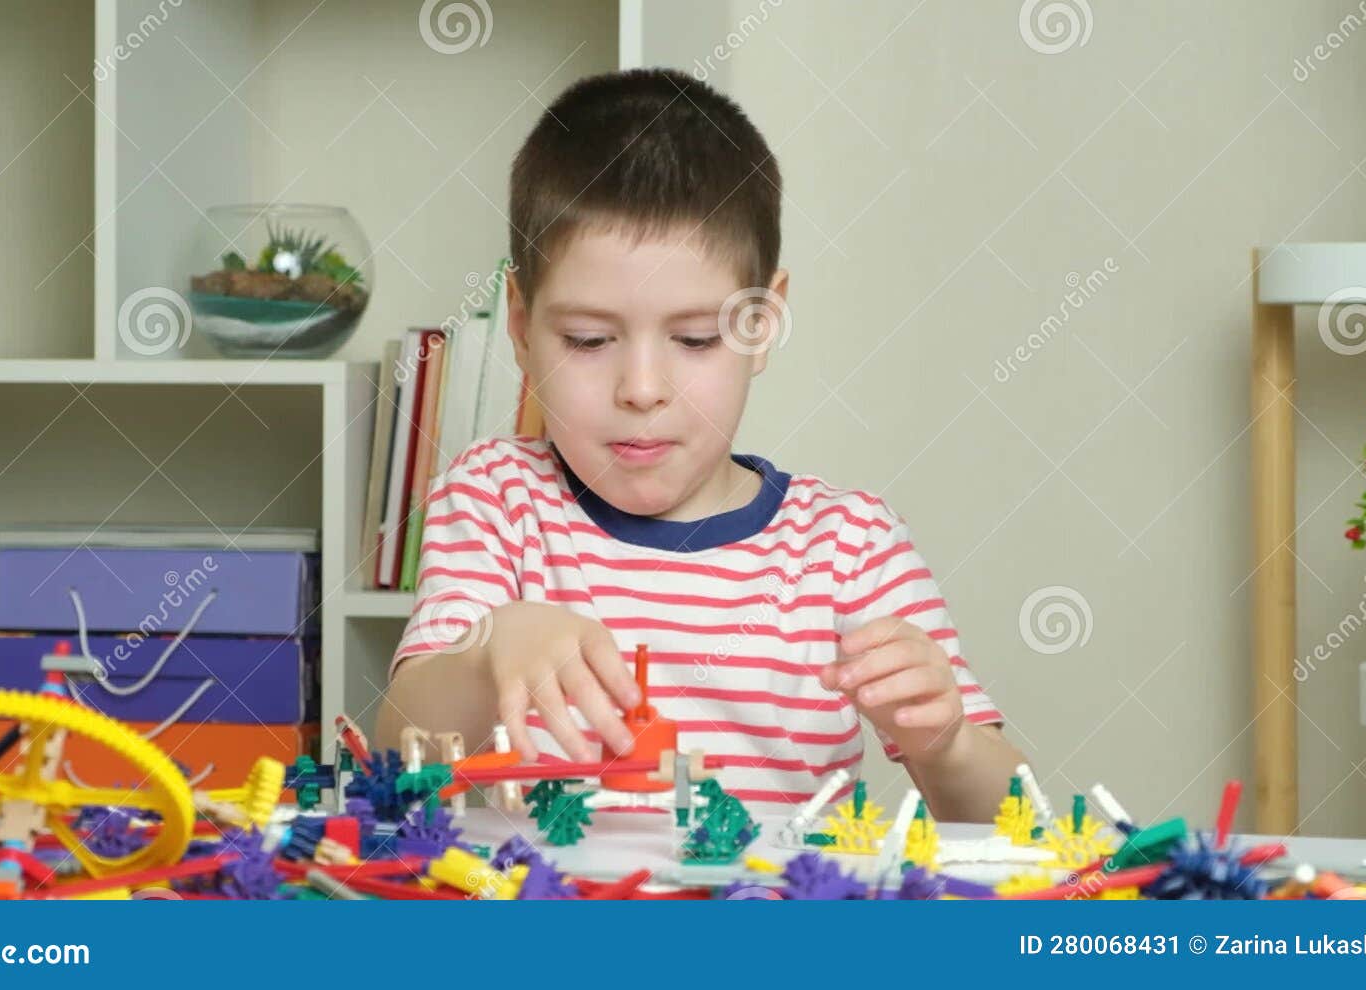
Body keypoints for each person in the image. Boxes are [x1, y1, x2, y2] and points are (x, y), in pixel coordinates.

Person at [379, 67, 1024, 822]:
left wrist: (947, 744)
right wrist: (486, 654)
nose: (642, 388)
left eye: (693, 339)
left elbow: (1013, 819)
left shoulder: (848, 549)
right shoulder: (496, 499)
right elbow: (396, 755)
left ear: (760, 323)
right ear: (520, 327)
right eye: (587, 340)